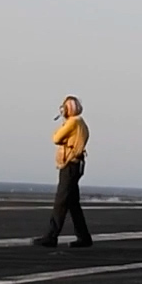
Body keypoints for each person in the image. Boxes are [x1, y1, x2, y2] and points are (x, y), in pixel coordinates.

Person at [33, 96, 92, 250]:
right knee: (73, 204)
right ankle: (84, 237)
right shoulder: (82, 123)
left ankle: (51, 236)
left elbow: (56, 137)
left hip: (69, 165)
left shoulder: (72, 122)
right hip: (76, 164)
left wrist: (63, 125)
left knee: (61, 201)